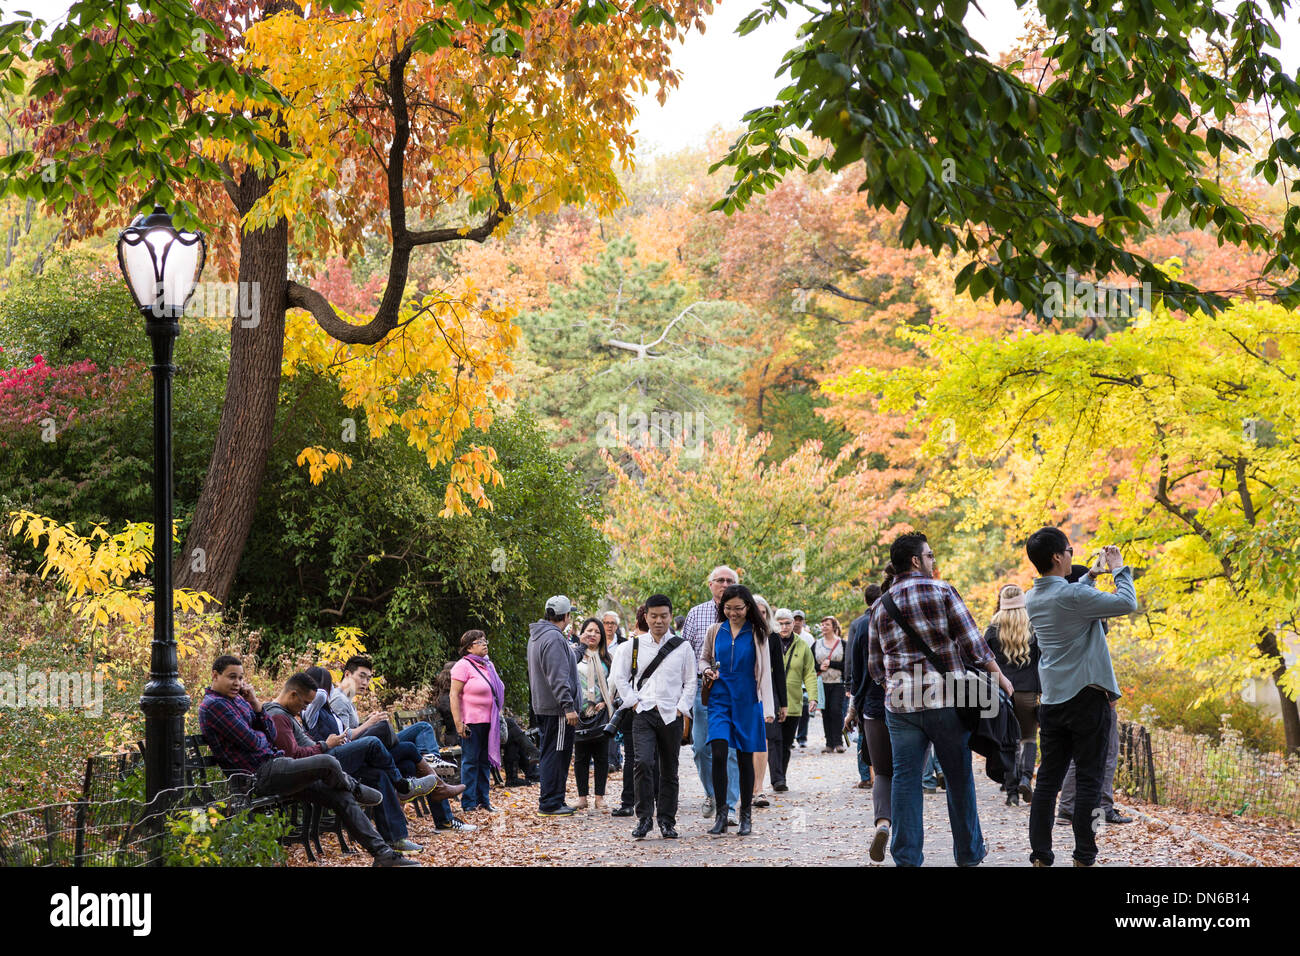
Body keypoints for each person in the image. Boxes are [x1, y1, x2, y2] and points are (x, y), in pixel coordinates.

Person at [867, 533, 1015, 867]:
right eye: (930, 555)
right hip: (946, 699)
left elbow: (876, 667)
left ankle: (906, 858)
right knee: (958, 776)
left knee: (905, 780)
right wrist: (999, 676)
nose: (934, 561)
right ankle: (969, 853)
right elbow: (973, 642)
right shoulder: (942, 590)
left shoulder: (881, 604)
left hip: (901, 705)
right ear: (917, 561)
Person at [197, 656, 419, 867]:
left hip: (277, 767)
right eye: (231, 677)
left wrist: (255, 703)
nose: (238, 683)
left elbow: (269, 732)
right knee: (327, 763)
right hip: (257, 775)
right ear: (215, 675)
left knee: (340, 797)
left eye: (240, 677)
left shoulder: (239, 702)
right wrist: (262, 733)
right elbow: (254, 741)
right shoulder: (215, 706)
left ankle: (383, 854)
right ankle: (356, 787)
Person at [1024, 535, 1137, 867]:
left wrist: (1091, 575)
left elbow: (1070, 595)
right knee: (1089, 779)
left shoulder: (1032, 597)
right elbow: (1127, 603)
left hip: (1054, 700)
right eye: (1070, 552)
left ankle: (1041, 856)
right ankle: (1084, 856)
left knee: (1047, 781)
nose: (1073, 556)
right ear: (1059, 557)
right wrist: (1119, 569)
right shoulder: (1074, 596)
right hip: (1088, 698)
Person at [264, 671, 443, 854]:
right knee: (374, 743)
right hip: (322, 763)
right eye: (304, 703)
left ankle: (395, 839)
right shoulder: (279, 716)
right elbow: (293, 756)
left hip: (327, 756)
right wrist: (326, 744)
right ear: (294, 694)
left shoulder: (291, 714)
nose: (304, 709)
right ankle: (404, 786)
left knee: (381, 773)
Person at [610, 593, 695, 839]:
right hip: (644, 713)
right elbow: (621, 679)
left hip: (672, 714)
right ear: (645, 617)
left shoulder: (683, 646)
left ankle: (667, 821)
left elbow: (690, 681)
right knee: (643, 763)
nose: (659, 621)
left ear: (671, 617)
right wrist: (634, 703)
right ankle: (644, 817)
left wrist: (681, 707)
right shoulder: (632, 646)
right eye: (654, 616)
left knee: (670, 769)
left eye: (664, 616)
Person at [701, 584, 776, 836]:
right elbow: (703, 658)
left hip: (747, 699)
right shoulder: (714, 630)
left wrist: (768, 708)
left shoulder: (757, 633)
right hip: (720, 698)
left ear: (748, 608)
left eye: (738, 608)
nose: (733, 613)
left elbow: (765, 672)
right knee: (719, 752)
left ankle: (746, 816)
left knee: (745, 759)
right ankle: (722, 813)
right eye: (728, 608)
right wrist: (706, 670)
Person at [680, 565, 741, 825]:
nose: (725, 584)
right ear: (710, 584)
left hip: (735, 690)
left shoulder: (743, 614)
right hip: (702, 690)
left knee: (730, 749)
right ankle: (712, 794)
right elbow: (683, 653)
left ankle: (729, 806)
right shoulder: (696, 614)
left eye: (730, 580)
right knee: (700, 747)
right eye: (720, 580)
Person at [984, 584, 1041, 805]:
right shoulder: (1032, 626)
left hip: (1001, 693)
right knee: (1028, 737)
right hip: (1028, 690)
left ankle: (1011, 792)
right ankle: (1026, 777)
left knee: (1008, 740)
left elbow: (983, 662)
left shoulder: (992, 629)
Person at [846, 584, 892, 861]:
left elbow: (859, 671)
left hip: (873, 706)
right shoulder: (916, 613)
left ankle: (883, 823)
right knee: (908, 774)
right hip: (912, 704)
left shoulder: (862, 625)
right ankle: (908, 843)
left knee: (883, 773)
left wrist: (853, 708)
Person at [528, 594, 580, 816]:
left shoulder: (538, 636)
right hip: (557, 709)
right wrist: (568, 707)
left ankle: (554, 799)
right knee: (556, 754)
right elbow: (558, 676)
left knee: (550, 751)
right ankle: (550, 802)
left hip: (544, 705)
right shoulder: (554, 638)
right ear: (566, 616)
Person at [451, 629, 506, 814]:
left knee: (485, 762)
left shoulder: (488, 665)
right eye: (479, 641)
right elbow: (454, 695)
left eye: (484, 640)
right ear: (468, 647)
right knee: (471, 762)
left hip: (489, 722)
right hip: (471, 722)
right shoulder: (462, 666)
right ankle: (468, 803)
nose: (485, 644)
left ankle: (484, 800)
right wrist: (458, 723)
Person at [571, 616, 616, 809]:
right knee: (580, 756)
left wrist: (606, 703)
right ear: (582, 632)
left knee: (601, 756)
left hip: (601, 711)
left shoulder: (607, 658)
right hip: (579, 712)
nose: (593, 635)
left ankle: (599, 797)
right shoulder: (574, 655)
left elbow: (613, 685)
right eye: (589, 630)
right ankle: (582, 797)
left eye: (597, 632)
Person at [773, 607, 818, 792]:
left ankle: (780, 776)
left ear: (794, 624)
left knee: (786, 742)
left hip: (793, 701)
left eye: (787, 623)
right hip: (773, 700)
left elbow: (809, 672)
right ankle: (776, 778)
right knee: (773, 740)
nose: (784, 627)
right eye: (780, 623)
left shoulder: (802, 645)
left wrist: (813, 697)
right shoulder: (769, 642)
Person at [750, 594, 788, 809]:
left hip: (767, 692)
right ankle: (748, 787)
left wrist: (782, 703)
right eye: (757, 611)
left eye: (764, 612)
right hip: (746, 692)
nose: (760, 615)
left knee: (763, 739)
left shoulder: (772, 636)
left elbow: (778, 672)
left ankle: (759, 788)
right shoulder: (742, 635)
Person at [844, 588, 875, 788]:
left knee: (863, 733)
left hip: (866, 690)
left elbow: (852, 658)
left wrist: (849, 685)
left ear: (865, 600)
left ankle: (865, 776)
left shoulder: (858, 624)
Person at [814, 615, 848, 752]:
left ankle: (838, 742)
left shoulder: (843, 644)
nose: (824, 627)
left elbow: (848, 664)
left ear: (833, 627)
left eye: (827, 624)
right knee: (825, 712)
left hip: (838, 682)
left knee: (836, 710)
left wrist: (832, 664)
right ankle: (829, 743)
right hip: (822, 683)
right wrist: (818, 667)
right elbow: (810, 664)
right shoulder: (816, 644)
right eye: (822, 624)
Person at [792, 610, 814, 746]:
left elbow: (811, 659)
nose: (798, 622)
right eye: (796, 619)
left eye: (800, 619)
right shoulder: (786, 636)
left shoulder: (808, 638)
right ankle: (791, 737)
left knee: (804, 711)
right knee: (790, 710)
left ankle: (802, 737)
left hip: (803, 679)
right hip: (791, 679)